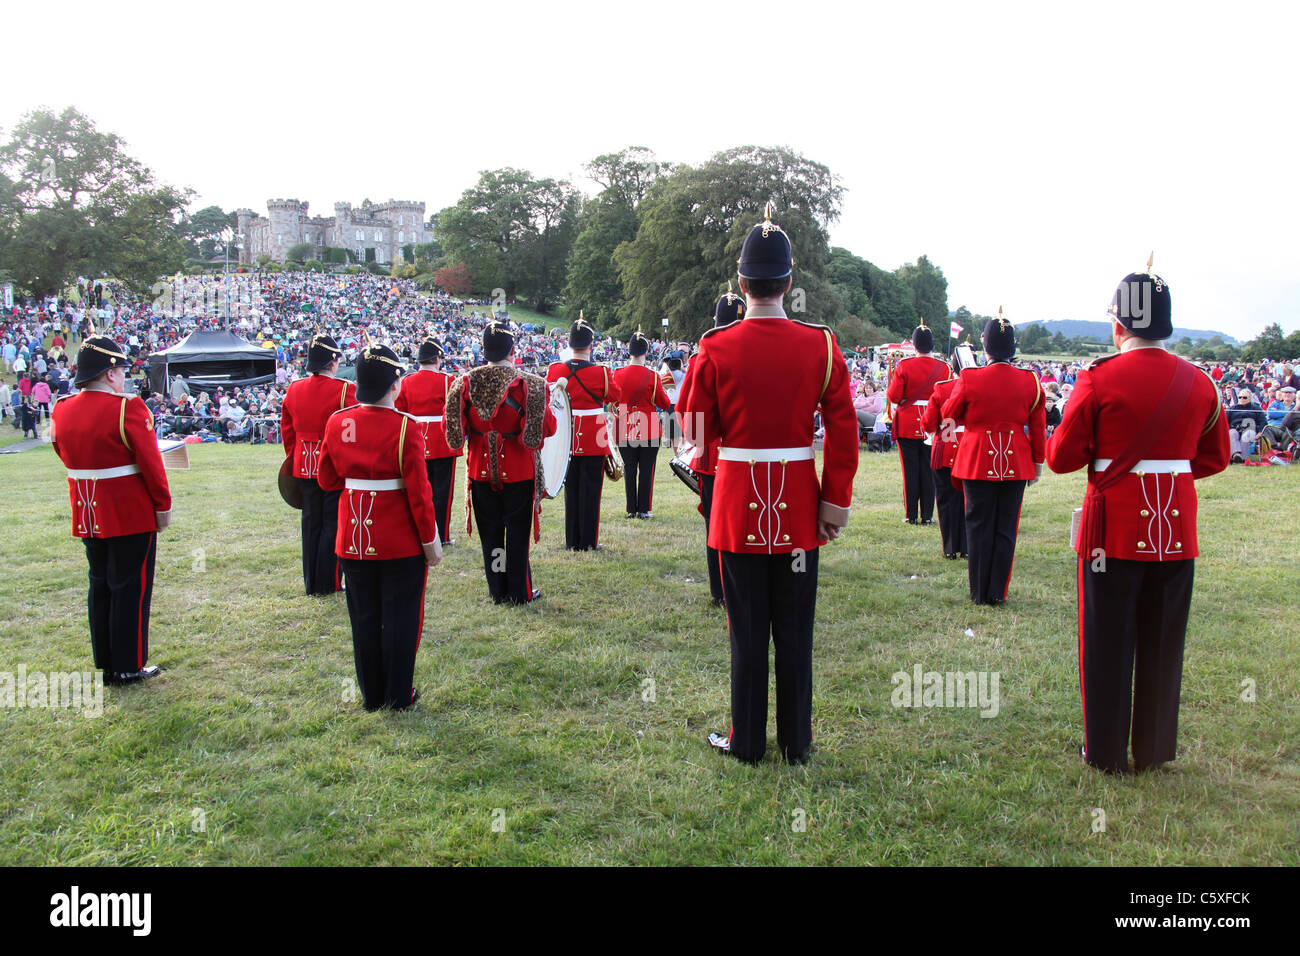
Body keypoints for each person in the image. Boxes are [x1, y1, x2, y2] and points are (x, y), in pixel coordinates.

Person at [677, 206, 858, 764]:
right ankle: (796, 741)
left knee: (747, 629)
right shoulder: (821, 346)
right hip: (801, 505)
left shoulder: (715, 346)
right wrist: (834, 502)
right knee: (796, 629)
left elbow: (691, 427)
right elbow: (845, 427)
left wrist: (715, 455)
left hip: (736, 504)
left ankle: (747, 739)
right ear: (789, 282)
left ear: (741, 282)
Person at [1047, 266, 1229, 774]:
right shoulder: (1200, 382)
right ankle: (1151, 751)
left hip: (1113, 530)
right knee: (1162, 641)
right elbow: (1214, 458)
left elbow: (1061, 457)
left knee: (1106, 641)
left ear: (1119, 324)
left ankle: (1104, 753)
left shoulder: (1098, 378)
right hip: (1176, 530)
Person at [316, 342, 442, 711]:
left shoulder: (338, 421)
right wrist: (430, 541)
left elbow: (326, 480)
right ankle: (399, 694)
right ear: (394, 385)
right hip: (398, 540)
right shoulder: (406, 428)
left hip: (352, 537)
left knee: (364, 618)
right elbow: (419, 494)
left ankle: (372, 695)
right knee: (401, 618)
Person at [50, 335, 171, 685]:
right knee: (130, 587)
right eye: (120, 369)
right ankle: (128, 664)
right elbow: (150, 464)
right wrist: (162, 504)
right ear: (110, 372)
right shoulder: (127, 407)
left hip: (87, 508)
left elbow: (61, 451)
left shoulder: (62, 408)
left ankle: (106, 660)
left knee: (99, 584)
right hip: (128, 510)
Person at [444, 321, 555, 604]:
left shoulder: (463, 383)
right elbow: (547, 429)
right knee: (517, 536)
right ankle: (520, 591)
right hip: (518, 471)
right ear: (513, 351)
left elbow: (453, 432)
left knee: (491, 535)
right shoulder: (531, 384)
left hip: (479, 470)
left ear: (483, 351)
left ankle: (498, 590)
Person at [941, 314, 1046, 605]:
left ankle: (978, 592)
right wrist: (1038, 462)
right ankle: (997, 591)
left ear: (985, 346)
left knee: (977, 525)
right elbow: (1037, 427)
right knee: (1005, 528)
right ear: (1013, 347)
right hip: (1017, 461)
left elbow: (948, 413)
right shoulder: (1031, 381)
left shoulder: (970, 377)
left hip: (976, 459)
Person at [676, 290, 747, 606]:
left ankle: (720, 590)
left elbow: (684, 410)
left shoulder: (701, 357)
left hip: (710, 456)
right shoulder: (752, 354)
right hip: (744, 455)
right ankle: (740, 587)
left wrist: (700, 440)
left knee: (715, 525)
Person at [280, 334, 357, 595]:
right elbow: (351, 434)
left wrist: (295, 457)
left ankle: (311, 582)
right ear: (333, 362)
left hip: (303, 463)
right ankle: (328, 582)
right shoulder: (346, 390)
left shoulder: (294, 388)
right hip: (333, 465)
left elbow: (287, 431)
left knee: (310, 522)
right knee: (332, 524)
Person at [547, 316, 622, 550]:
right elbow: (616, 396)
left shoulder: (554, 369)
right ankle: (588, 542)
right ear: (591, 346)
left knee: (571, 489)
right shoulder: (602, 372)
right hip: (593, 438)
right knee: (591, 491)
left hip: (566, 439)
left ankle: (572, 541)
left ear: (569, 345)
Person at [395, 335, 463, 546]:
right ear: (437, 359)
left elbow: (400, 413)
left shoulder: (406, 382)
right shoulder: (448, 381)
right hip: (442, 442)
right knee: (443, 492)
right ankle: (441, 535)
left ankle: (419, 533)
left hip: (415, 441)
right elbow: (456, 412)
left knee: (418, 490)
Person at [886, 321, 948, 524]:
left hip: (908, 422)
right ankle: (928, 516)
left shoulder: (904, 365)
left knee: (910, 471)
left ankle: (911, 515)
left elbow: (894, 397)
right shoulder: (945, 368)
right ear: (932, 345)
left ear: (914, 345)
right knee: (930, 472)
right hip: (934, 423)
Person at [613, 329, 672, 519]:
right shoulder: (653, 376)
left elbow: (612, 402)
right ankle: (644, 509)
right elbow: (663, 403)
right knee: (647, 469)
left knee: (629, 469)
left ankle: (631, 509)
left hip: (625, 426)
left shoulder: (617, 374)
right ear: (645, 352)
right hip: (648, 428)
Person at [921, 353, 967, 560]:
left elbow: (929, 423)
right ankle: (967, 546)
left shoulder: (942, 387)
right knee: (969, 500)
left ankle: (950, 546)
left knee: (946, 499)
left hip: (946, 446)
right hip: (970, 448)